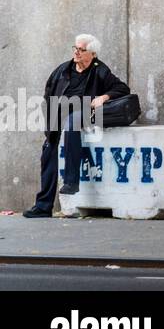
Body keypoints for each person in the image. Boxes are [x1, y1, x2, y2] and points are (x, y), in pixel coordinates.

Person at [22, 34, 130, 219]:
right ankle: (43, 206)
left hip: (84, 114)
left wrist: (104, 97)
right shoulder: (63, 70)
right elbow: (48, 93)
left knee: (73, 123)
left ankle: (72, 182)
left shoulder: (100, 71)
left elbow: (122, 89)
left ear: (93, 54)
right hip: (59, 116)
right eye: (75, 48)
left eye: (82, 49)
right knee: (48, 153)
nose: (76, 52)